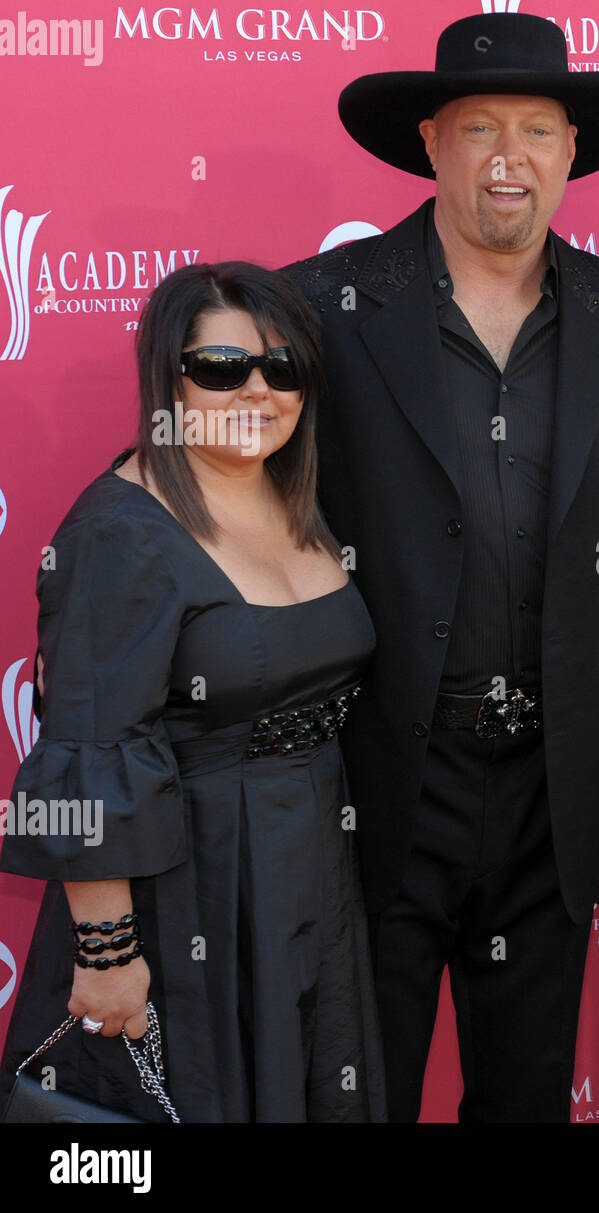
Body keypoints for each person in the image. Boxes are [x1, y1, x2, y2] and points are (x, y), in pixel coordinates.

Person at [281, 11, 599, 1123]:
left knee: (524, 1098)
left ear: (570, 151)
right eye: (477, 128)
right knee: (358, 1092)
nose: (507, 157)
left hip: (549, 798)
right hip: (373, 784)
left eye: (534, 130)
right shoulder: (320, 308)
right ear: (429, 141)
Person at [0, 261, 386, 1121]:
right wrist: (105, 952)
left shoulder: (300, 501)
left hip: (314, 872)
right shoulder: (120, 530)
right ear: (167, 377)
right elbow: (90, 750)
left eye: (283, 368)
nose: (259, 388)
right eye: (221, 367)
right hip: (189, 893)